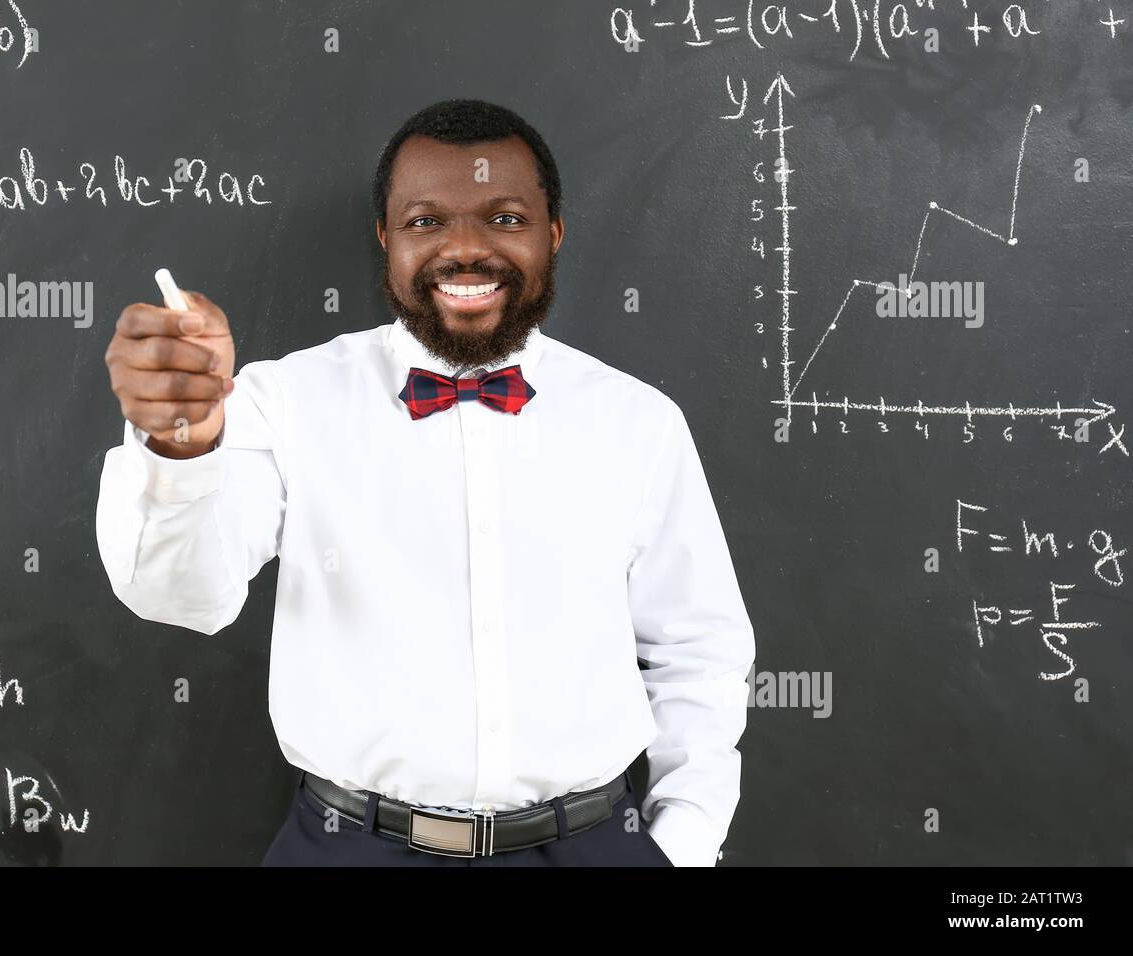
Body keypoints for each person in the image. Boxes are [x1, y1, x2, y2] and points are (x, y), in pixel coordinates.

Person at [96, 98, 756, 867]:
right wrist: (182, 442)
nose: (466, 249)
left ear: (554, 234)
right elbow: (183, 596)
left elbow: (699, 650)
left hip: (594, 846)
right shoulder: (282, 402)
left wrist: (683, 842)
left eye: (506, 219)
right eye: (425, 222)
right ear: (386, 237)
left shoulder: (639, 422)